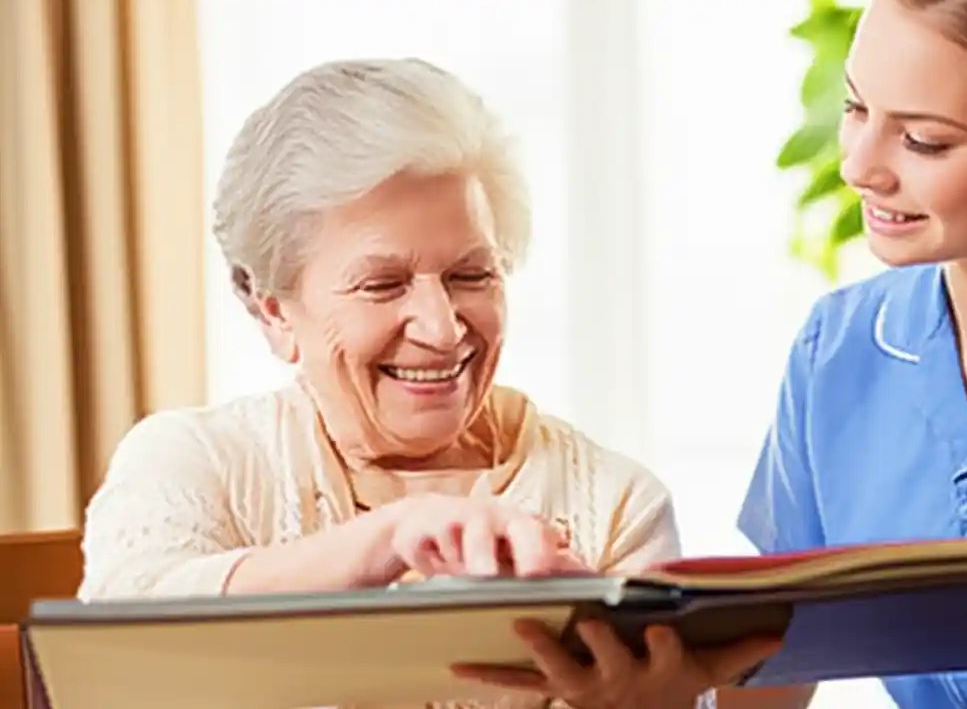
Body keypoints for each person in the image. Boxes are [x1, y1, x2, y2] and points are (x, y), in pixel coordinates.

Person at [462, 0, 967, 708]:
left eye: (923, 141)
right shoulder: (838, 349)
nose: (859, 166)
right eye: (857, 109)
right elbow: (765, 673)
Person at [76, 57, 781, 709]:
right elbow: (115, 653)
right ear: (271, 310)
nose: (443, 328)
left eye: (472, 275)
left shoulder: (612, 503)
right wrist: (390, 536)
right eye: (382, 284)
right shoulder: (196, 463)